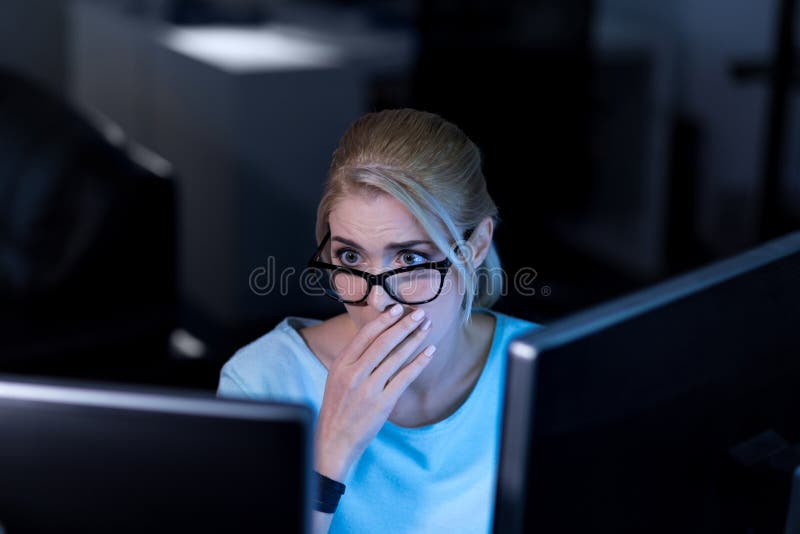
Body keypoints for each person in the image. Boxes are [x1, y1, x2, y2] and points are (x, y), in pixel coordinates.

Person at [217, 108, 541, 533]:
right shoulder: (261, 382)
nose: (375, 299)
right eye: (350, 257)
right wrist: (329, 457)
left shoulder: (543, 370)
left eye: (410, 258)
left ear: (476, 246)